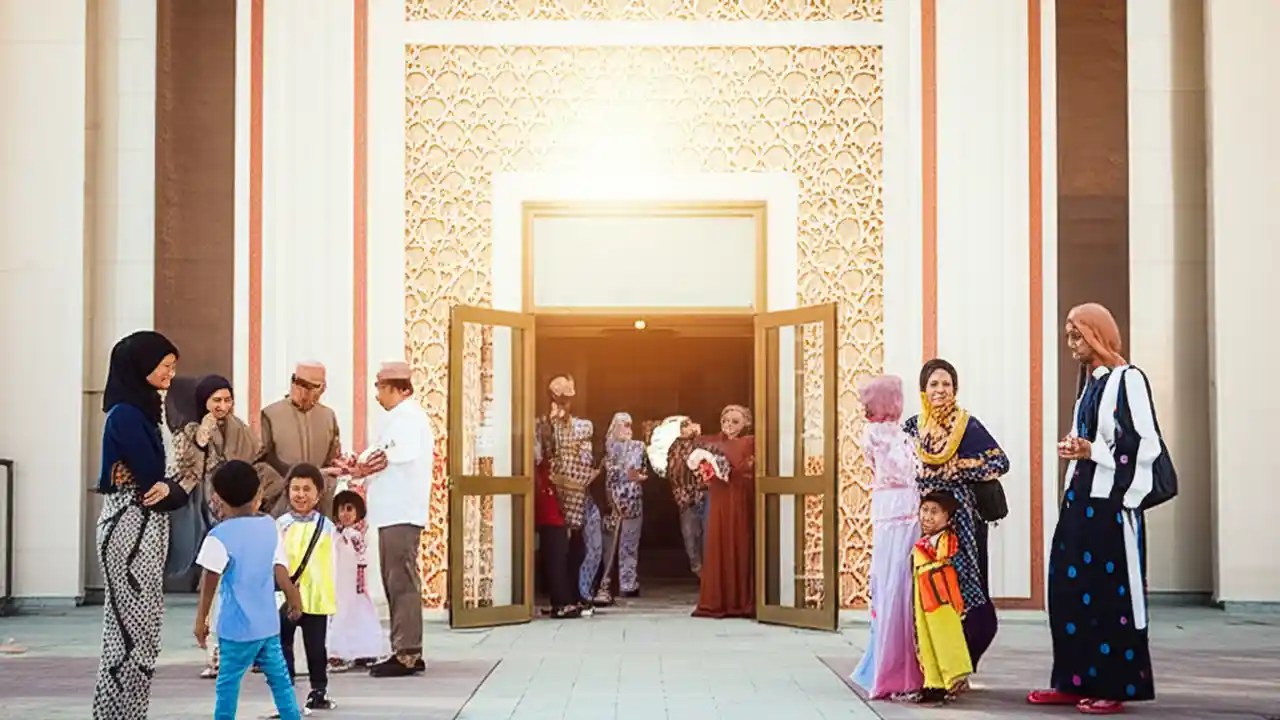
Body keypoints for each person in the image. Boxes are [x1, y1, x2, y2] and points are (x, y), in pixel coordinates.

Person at [1027, 303, 1162, 715]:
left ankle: (1114, 685)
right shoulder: (1089, 386)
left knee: (1109, 596)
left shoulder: (1129, 380)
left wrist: (1093, 450)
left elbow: (1146, 443)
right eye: (1068, 334)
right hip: (1079, 505)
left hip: (1110, 508)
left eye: (1077, 334)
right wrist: (1076, 447)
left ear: (1098, 335)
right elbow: (1091, 441)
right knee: (1069, 592)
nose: (1071, 343)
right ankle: (1072, 680)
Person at [92, 330, 184, 720]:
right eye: (165, 366)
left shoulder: (144, 410)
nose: (170, 374)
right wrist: (172, 488)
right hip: (130, 527)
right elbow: (153, 480)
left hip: (142, 525)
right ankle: (121, 715)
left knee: (135, 630)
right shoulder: (128, 415)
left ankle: (122, 714)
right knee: (133, 634)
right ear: (142, 366)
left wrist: (172, 488)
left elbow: (168, 485)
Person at [903, 359, 1010, 672]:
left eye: (946, 384)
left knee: (966, 593)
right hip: (923, 525)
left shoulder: (967, 426)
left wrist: (960, 466)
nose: (940, 390)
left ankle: (963, 662)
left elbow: (1000, 463)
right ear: (923, 390)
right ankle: (933, 668)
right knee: (927, 596)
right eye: (933, 384)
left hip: (962, 523)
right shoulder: (912, 427)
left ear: (955, 389)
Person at [174, 374, 283, 678]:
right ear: (203, 402)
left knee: (247, 580)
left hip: (243, 510)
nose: (222, 406)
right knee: (217, 581)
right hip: (211, 507)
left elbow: (257, 460)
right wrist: (202, 436)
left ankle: (255, 651)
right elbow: (186, 467)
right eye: (215, 400)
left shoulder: (240, 430)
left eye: (227, 400)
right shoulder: (192, 430)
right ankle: (217, 653)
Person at [193, 460, 304, 720]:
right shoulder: (269, 526)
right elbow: (280, 568)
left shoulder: (219, 536)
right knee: (280, 682)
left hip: (236, 630)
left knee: (228, 686)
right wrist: (293, 597)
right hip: (268, 626)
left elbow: (209, 580)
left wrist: (202, 620)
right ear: (258, 494)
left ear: (217, 498)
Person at [350, 360, 433, 677]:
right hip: (394, 513)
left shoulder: (408, 418)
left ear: (397, 388)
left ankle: (408, 652)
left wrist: (358, 467)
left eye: (380, 388)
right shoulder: (399, 418)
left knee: (401, 581)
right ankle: (407, 646)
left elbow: (385, 455)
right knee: (396, 579)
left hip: (402, 512)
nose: (376, 395)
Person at [851, 375, 924, 700]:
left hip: (891, 512)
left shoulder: (879, 433)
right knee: (899, 588)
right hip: (900, 514)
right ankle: (899, 672)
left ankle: (890, 666)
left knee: (891, 587)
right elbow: (907, 471)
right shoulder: (885, 435)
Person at [276, 464, 338, 710]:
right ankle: (286, 686)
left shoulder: (327, 528)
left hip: (316, 598)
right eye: (295, 489)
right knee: (283, 644)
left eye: (306, 489)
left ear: (318, 493)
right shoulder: (280, 525)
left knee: (316, 647)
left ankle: (318, 690)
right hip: (286, 598)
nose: (300, 495)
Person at [692, 405, 756, 619]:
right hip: (720, 498)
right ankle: (720, 598)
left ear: (745, 423)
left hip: (740, 498)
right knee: (718, 542)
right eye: (725, 420)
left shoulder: (750, 442)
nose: (729, 425)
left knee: (739, 542)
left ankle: (740, 599)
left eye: (734, 421)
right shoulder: (713, 443)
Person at [259, 361, 344, 517]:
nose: (304, 393)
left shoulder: (328, 417)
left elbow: (332, 460)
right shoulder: (270, 415)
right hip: (282, 505)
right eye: (300, 385)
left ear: (323, 388)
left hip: (320, 506)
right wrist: (283, 488)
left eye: (312, 388)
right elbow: (259, 463)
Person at [913, 490, 973, 705]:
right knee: (927, 641)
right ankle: (933, 683)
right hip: (925, 597)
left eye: (934, 512)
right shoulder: (924, 541)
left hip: (942, 597)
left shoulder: (949, 541)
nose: (927, 517)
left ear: (947, 517)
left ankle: (952, 679)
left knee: (945, 638)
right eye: (925, 510)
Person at [327, 489, 389, 671]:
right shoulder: (334, 533)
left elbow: (363, 557)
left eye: (349, 509)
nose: (345, 514)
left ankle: (363, 650)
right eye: (342, 510)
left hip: (355, 582)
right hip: (339, 581)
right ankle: (338, 652)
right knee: (340, 614)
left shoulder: (357, 535)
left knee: (360, 613)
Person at [600, 412, 647, 599]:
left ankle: (628, 583)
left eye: (629, 424)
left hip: (633, 500)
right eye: (622, 424)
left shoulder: (638, 447)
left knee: (629, 544)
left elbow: (643, 470)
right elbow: (607, 476)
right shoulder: (607, 448)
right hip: (612, 503)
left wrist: (638, 477)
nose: (627, 428)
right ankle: (606, 583)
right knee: (609, 545)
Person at [661, 417, 709, 578]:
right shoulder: (675, 447)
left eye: (691, 423)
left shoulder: (703, 443)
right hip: (686, 498)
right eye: (685, 426)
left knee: (707, 536)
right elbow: (674, 473)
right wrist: (681, 495)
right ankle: (698, 570)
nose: (691, 427)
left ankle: (709, 575)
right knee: (690, 536)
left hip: (705, 495)